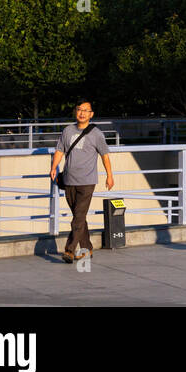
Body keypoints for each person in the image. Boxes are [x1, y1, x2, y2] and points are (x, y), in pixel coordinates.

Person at [49, 101, 114, 264]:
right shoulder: (68, 130)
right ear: (75, 112)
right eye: (79, 110)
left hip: (87, 181)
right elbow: (60, 150)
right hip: (69, 180)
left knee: (78, 217)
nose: (82, 113)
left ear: (91, 114)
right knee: (80, 217)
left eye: (86, 111)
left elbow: (105, 155)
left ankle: (69, 251)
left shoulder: (96, 134)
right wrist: (54, 167)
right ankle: (87, 249)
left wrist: (109, 175)